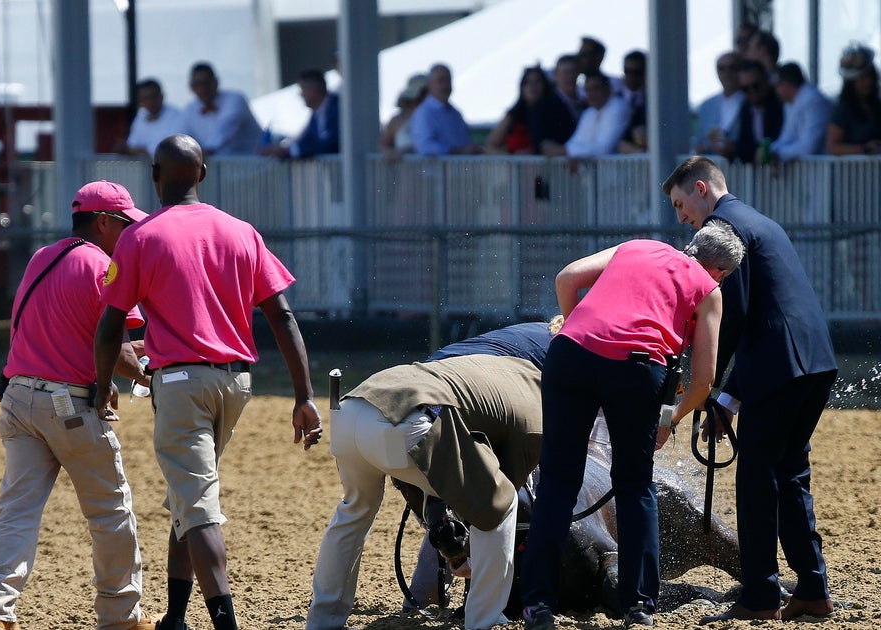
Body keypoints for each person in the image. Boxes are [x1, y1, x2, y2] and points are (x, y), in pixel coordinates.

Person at [93, 134, 322, 630]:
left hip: (178, 383)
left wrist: (100, 384)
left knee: (196, 508)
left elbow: (111, 326)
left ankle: (225, 624)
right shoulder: (242, 232)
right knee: (187, 494)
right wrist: (304, 395)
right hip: (236, 386)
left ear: (155, 177)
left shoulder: (140, 237)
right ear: (203, 173)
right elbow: (282, 316)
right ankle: (174, 617)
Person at [520, 223, 744, 630]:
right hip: (637, 368)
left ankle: (537, 604)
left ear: (690, 245)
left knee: (556, 481)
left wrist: (581, 334)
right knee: (635, 485)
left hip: (570, 355)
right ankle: (638, 605)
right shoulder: (710, 291)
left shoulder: (639, 246)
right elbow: (704, 381)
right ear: (721, 272)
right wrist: (670, 420)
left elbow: (566, 278)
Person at [662, 156, 839, 624]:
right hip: (815, 361)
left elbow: (730, 316)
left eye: (681, 204)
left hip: (778, 367)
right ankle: (812, 589)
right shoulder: (758, 219)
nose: (681, 216)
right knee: (789, 475)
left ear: (701, 188)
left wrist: (715, 393)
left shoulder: (723, 227)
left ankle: (761, 596)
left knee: (757, 481)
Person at [0, 181, 156, 630]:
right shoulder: (102, 267)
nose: (129, 234)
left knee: (16, 512)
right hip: (68, 406)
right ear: (102, 222)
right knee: (110, 512)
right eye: (124, 224)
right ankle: (120, 618)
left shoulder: (42, 257)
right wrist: (150, 378)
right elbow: (121, 345)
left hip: (18, 400)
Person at [307, 353, 545, 630]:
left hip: (350, 409)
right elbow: (494, 498)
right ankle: (485, 622)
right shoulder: (542, 410)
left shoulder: (513, 368)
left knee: (355, 510)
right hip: (409, 422)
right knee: (501, 506)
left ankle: (322, 622)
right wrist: (471, 555)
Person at [403, 318, 559, 613]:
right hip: (463, 395)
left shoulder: (540, 332)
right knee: (492, 497)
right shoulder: (570, 353)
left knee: (444, 493)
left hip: (425, 385)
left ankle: (422, 596)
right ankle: (471, 594)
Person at [482, 66, 575, 156]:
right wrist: (512, 158)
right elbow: (490, 146)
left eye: (537, 81)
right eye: (527, 82)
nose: (532, 86)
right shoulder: (514, 115)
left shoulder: (557, 112)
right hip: (517, 169)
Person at [181, 62, 263, 156]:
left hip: (256, 163)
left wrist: (204, 152)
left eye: (206, 83)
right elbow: (182, 136)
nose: (203, 88)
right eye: (198, 84)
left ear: (216, 82)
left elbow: (225, 129)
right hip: (223, 167)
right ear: (191, 87)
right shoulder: (189, 110)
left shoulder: (235, 99)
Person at [542, 73, 631, 159]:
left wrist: (565, 151)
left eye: (596, 88)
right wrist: (563, 151)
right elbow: (577, 141)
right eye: (588, 89)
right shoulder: (589, 112)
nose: (592, 94)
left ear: (608, 89)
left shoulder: (618, 106)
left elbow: (604, 147)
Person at [259, 69, 339, 159]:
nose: (300, 94)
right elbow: (307, 138)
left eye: (302, 89)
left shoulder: (337, 107)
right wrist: (286, 148)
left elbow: (330, 142)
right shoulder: (317, 113)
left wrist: (289, 150)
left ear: (313, 90)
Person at [718, 60, 784, 164]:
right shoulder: (746, 108)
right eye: (745, 89)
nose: (752, 92)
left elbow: (781, 140)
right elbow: (744, 143)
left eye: (756, 86)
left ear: (766, 81)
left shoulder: (781, 105)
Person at [409, 63, 481, 155]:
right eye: (441, 80)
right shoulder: (424, 113)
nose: (446, 85)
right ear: (429, 84)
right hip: (436, 169)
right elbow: (424, 146)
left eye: (448, 80)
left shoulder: (455, 113)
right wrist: (458, 151)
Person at [825, 43, 881, 156]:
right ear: (851, 82)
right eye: (862, 77)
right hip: (851, 172)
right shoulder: (843, 110)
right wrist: (863, 149)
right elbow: (832, 147)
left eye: (870, 76)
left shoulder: (877, 106)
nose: (868, 82)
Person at [770, 62, 833, 160]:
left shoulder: (812, 100)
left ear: (785, 84)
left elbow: (809, 147)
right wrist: (769, 150)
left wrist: (777, 154)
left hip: (825, 170)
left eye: (776, 86)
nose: (775, 91)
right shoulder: (789, 104)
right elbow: (787, 137)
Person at [115, 78, 186, 158]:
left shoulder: (176, 116)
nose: (150, 101)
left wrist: (132, 150)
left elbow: (164, 151)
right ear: (140, 101)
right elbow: (132, 144)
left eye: (153, 97)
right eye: (146, 98)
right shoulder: (141, 117)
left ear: (162, 96)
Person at [694, 52, 744, 154]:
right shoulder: (707, 105)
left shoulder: (750, 101)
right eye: (721, 68)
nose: (727, 73)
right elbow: (699, 143)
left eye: (732, 67)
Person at [380, 73, 427, 160]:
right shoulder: (397, 121)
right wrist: (390, 154)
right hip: (406, 172)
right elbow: (384, 144)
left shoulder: (437, 119)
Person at [616, 51, 649, 153]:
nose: (631, 77)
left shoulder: (651, 101)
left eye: (637, 72)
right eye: (627, 71)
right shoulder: (615, 98)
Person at [552, 54, 585, 121]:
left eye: (572, 71)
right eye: (565, 72)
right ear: (556, 76)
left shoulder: (586, 102)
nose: (570, 76)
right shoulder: (546, 106)